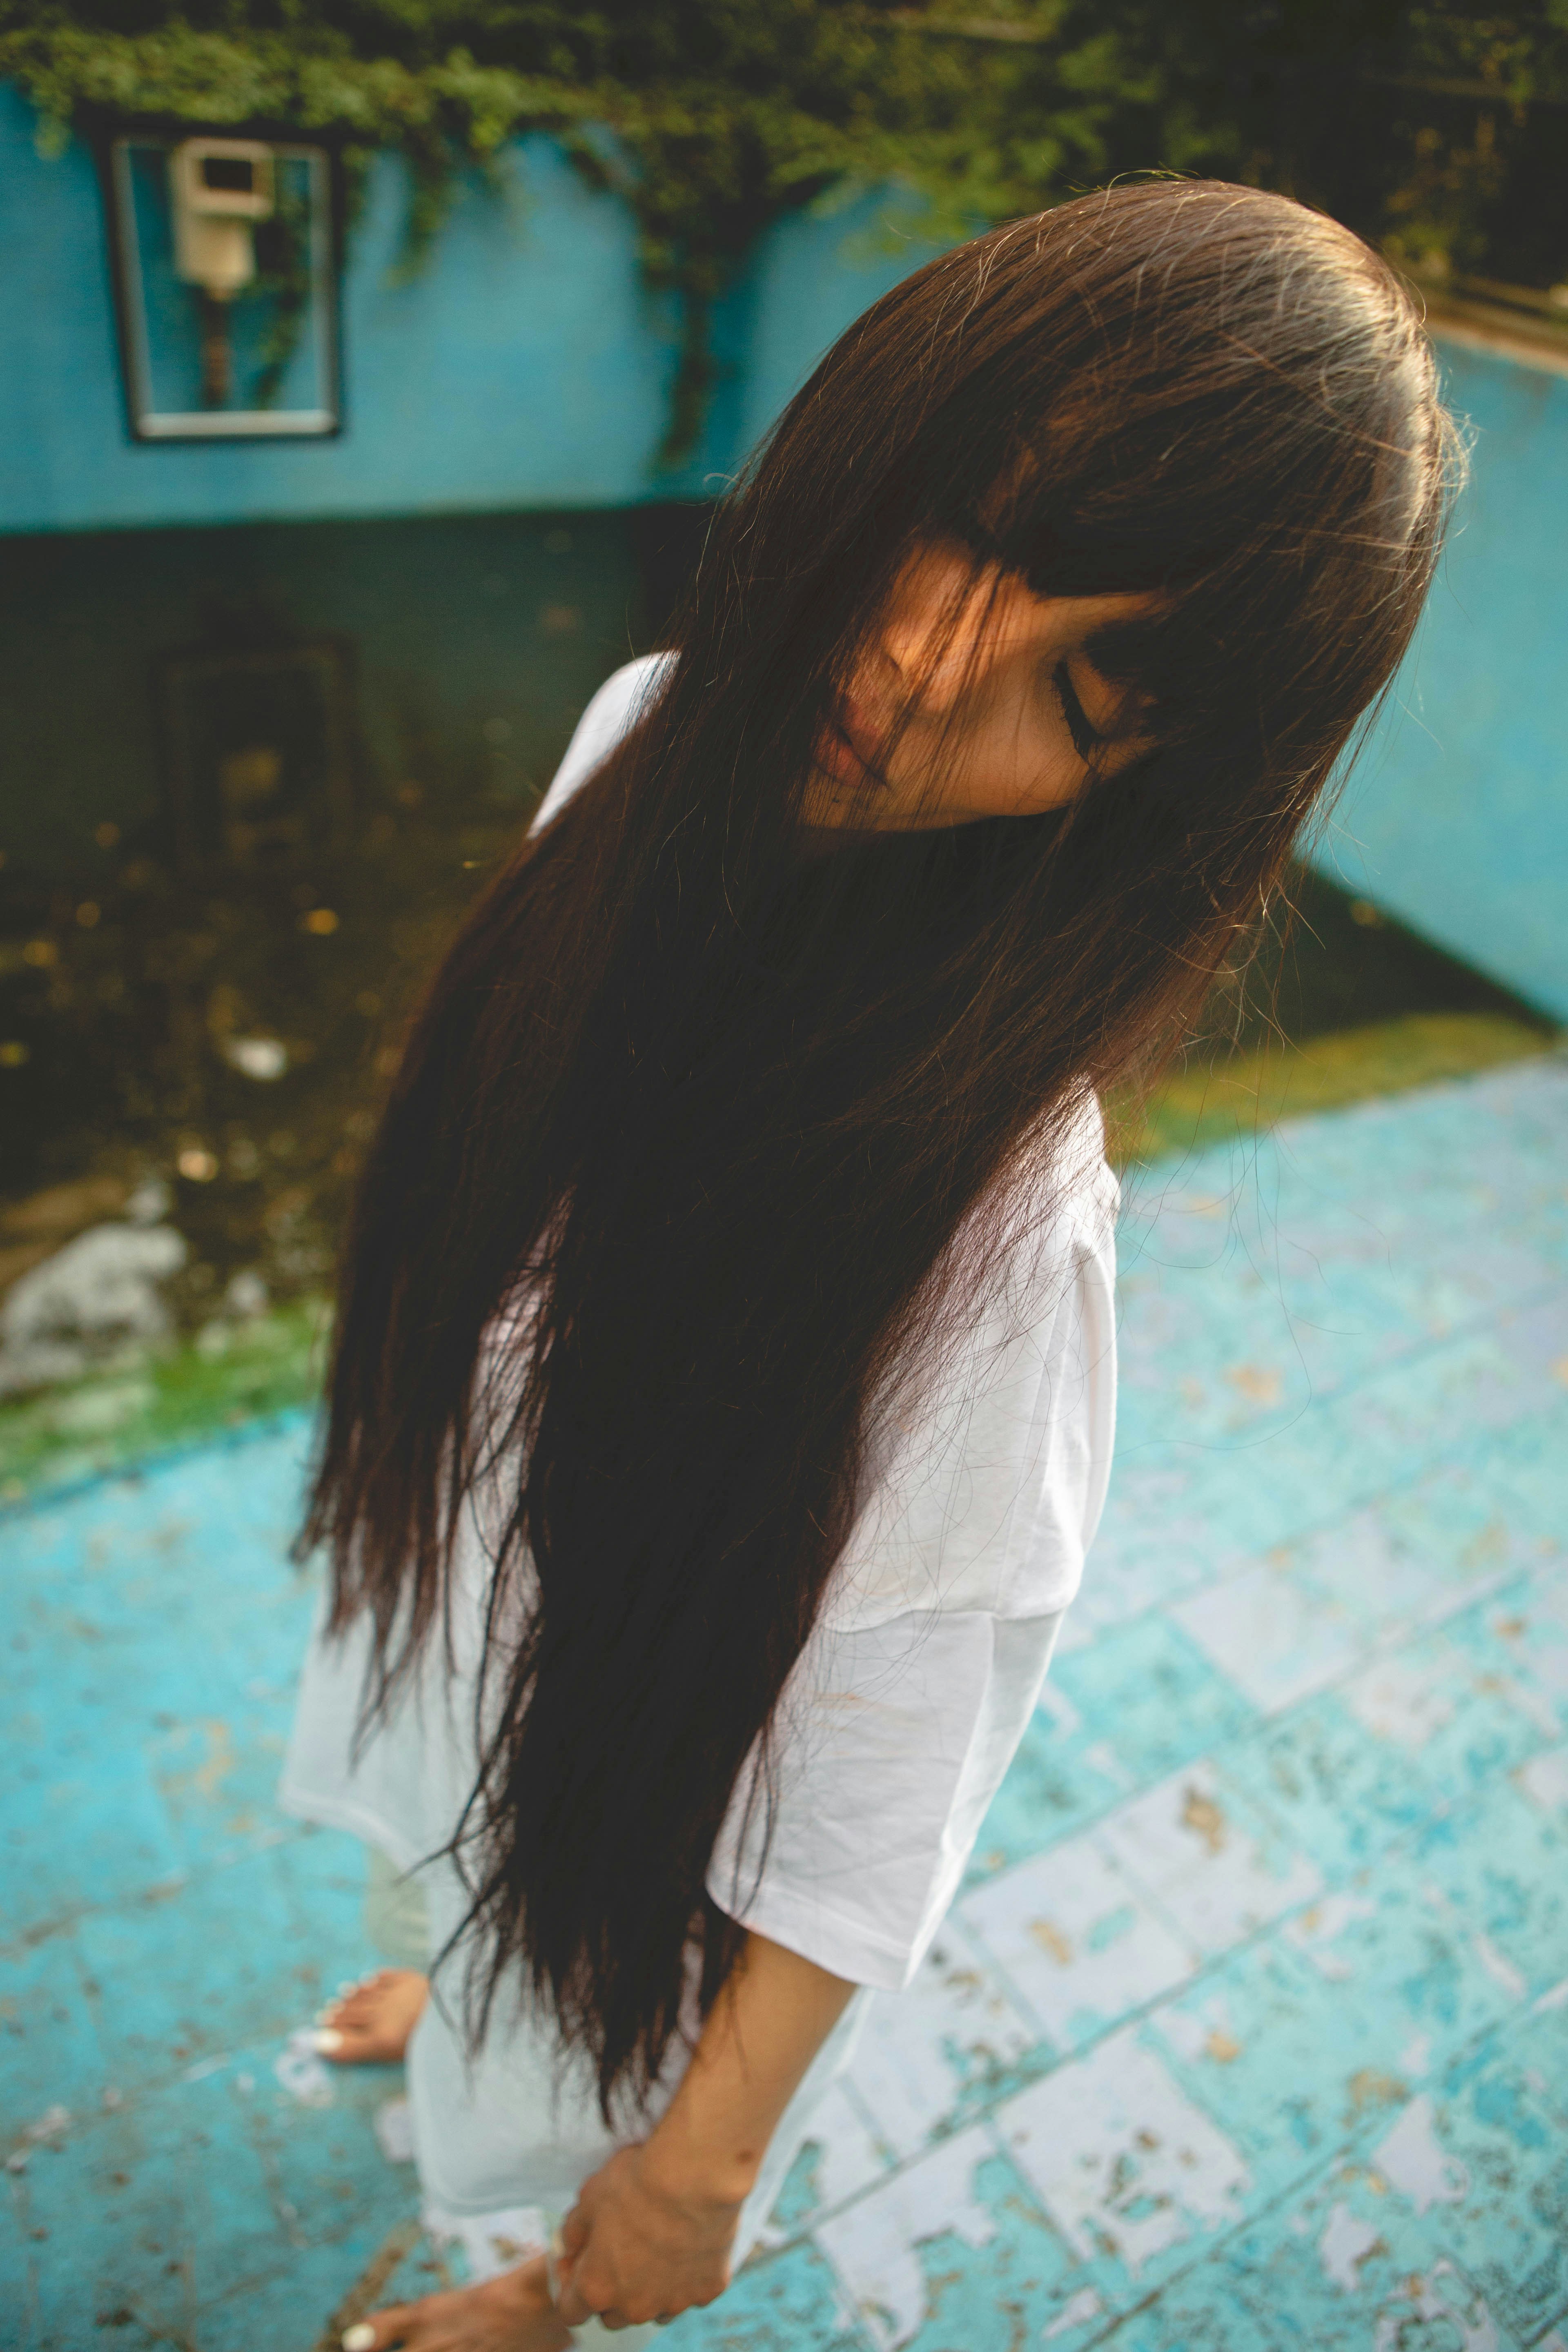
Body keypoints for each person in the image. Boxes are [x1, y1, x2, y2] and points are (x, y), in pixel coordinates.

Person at [278, 179, 1457, 2348]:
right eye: (973, 524)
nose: (925, 671)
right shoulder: (643, 730)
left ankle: (526, 2288)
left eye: (1086, 689)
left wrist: (698, 2177)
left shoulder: (999, 1210)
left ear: (1168, 785)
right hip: (476, 1606)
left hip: (642, 1772)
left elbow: (897, 1757)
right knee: (436, 1867)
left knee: (571, 2073)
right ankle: (439, 1968)